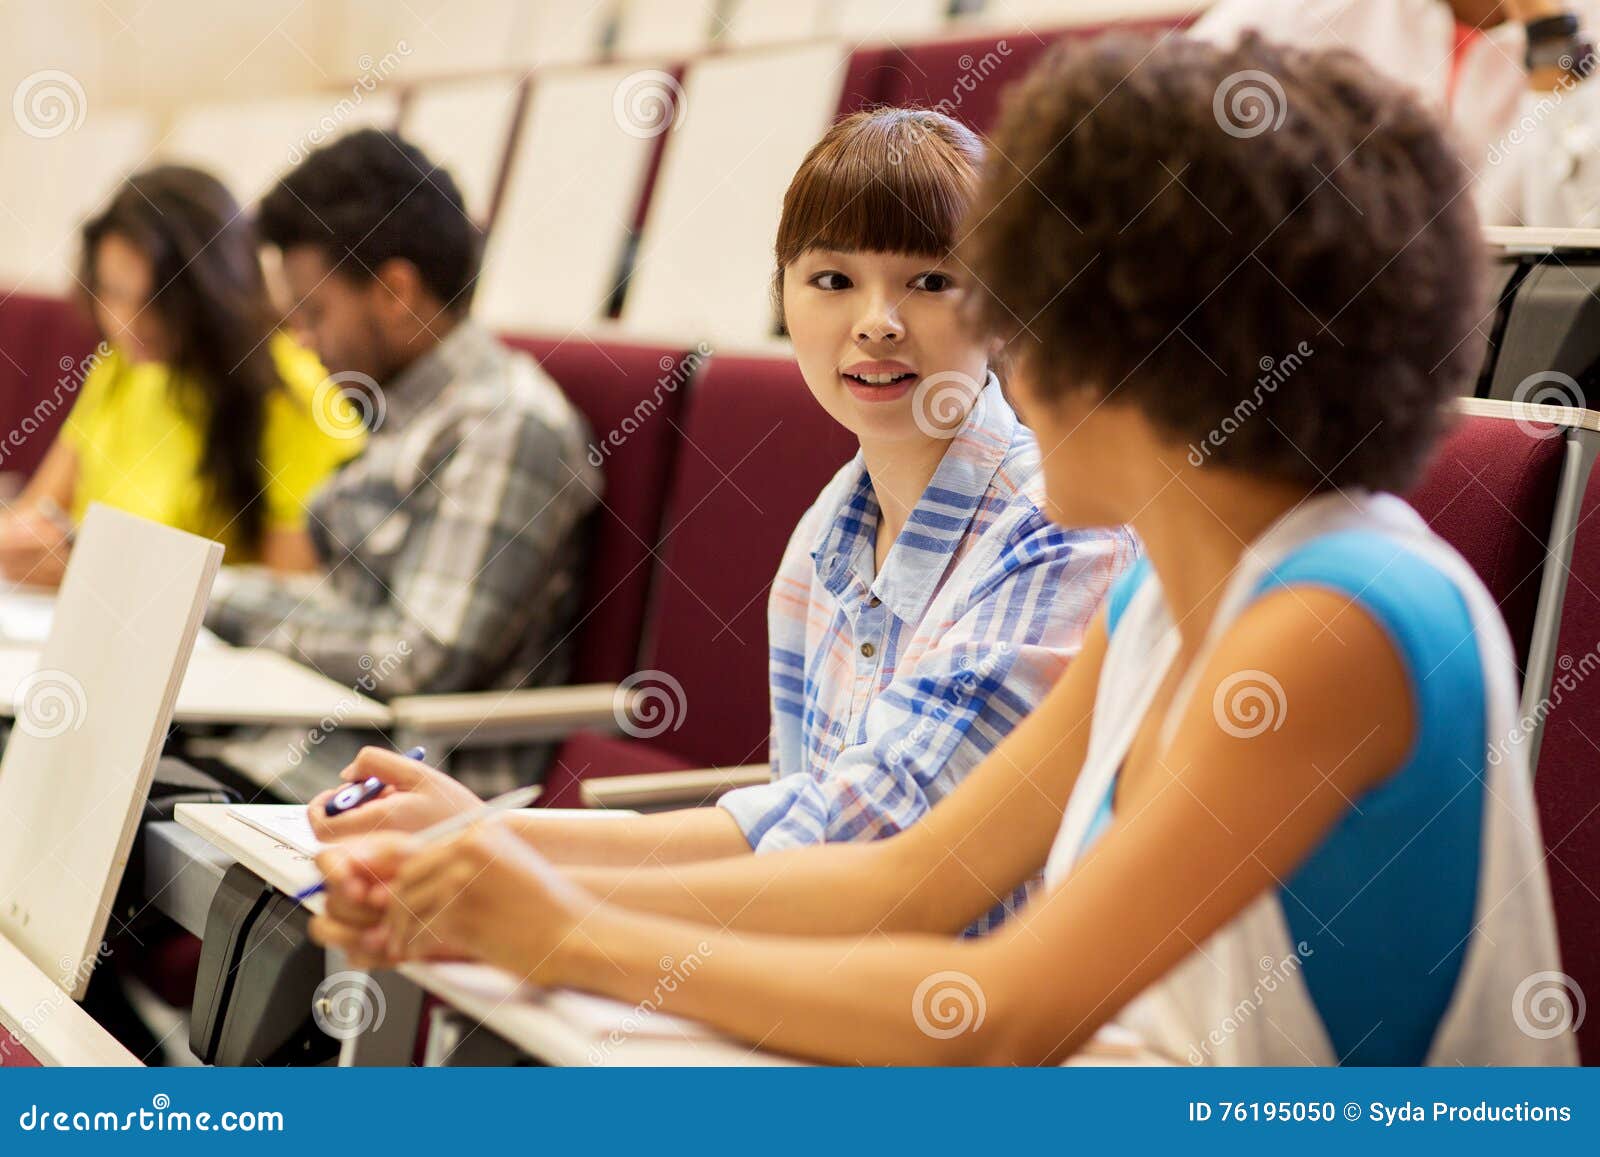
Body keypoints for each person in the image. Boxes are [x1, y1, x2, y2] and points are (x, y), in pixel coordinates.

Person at [313, 35, 1576, 1066]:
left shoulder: (1334, 616)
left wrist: (563, 933)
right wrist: (499, 857)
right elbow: (907, 878)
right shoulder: (1160, 586)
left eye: (1023, 312)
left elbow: (1002, 1009)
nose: (1004, 368)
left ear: (1156, 347)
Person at [303, 108, 1136, 928]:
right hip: (818, 974)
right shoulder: (822, 537)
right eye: (833, 281)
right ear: (783, 297)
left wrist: (493, 840)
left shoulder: (1056, 524)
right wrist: (475, 835)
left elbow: (878, 822)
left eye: (929, 281)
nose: (877, 321)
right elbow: (798, 827)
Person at [203, 130, 599, 802]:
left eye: (312, 313)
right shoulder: (404, 407)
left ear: (394, 291)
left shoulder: (506, 424)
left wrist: (220, 603)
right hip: (297, 752)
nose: (302, 341)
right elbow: (347, 607)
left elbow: (419, 656)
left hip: (393, 793)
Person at [0, 165, 359, 585]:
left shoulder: (293, 395)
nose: (128, 322)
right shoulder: (123, 364)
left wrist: (97, 576)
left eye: (157, 299)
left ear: (213, 290)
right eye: (114, 293)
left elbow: (286, 600)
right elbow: (36, 513)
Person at [1194, 0, 1600, 226]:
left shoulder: (1586, 28)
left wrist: (1552, 44)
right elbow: (1160, 115)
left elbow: (1575, 242)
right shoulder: (1298, 15)